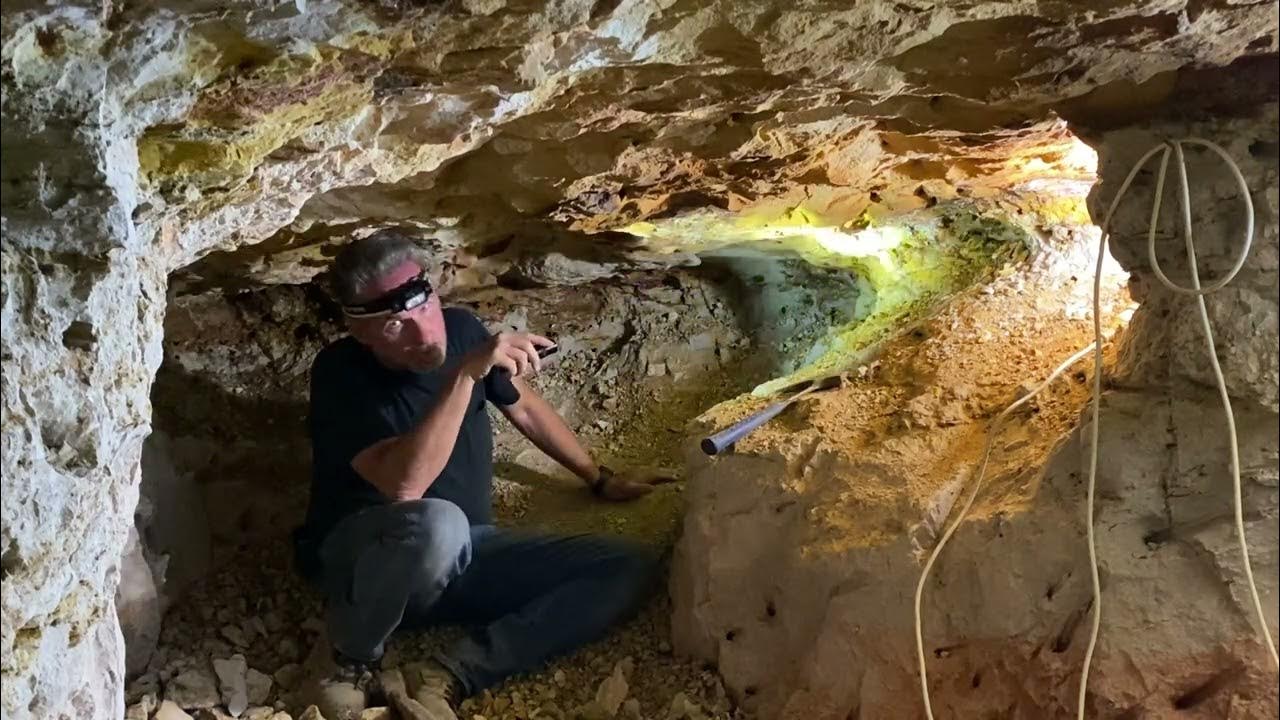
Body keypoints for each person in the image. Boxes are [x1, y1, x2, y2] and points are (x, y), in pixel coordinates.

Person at [291, 229, 671, 719]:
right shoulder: (340, 373)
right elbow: (405, 486)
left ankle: (450, 672)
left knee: (627, 567)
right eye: (395, 326)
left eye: (424, 308)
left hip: (465, 552)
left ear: (435, 292)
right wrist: (464, 374)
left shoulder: (463, 331)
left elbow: (525, 408)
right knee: (436, 523)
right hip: (370, 561)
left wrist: (597, 476)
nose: (424, 333)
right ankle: (351, 657)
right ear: (360, 331)